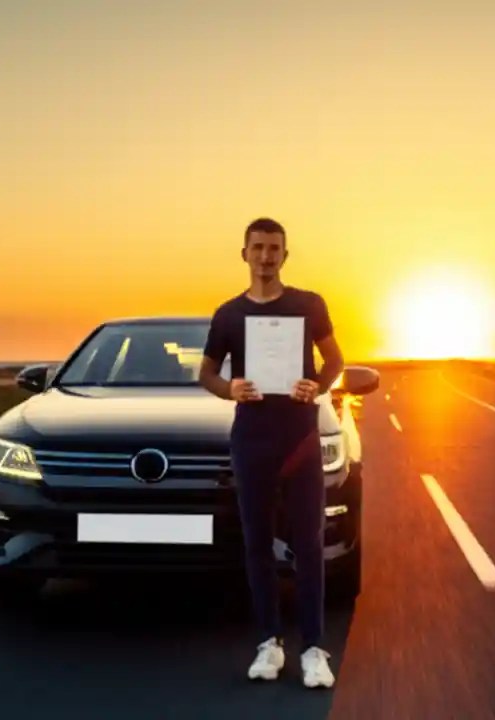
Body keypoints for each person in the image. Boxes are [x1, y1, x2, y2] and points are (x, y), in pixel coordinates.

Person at [199, 217, 345, 689]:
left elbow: (336, 361)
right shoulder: (227, 315)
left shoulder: (309, 305)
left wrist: (316, 385)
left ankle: (314, 649)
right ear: (244, 253)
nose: (266, 256)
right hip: (251, 440)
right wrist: (230, 388)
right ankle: (269, 642)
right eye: (258, 247)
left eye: (274, 248)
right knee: (257, 544)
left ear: (286, 254)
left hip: (300, 439)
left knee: (308, 544)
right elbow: (206, 374)